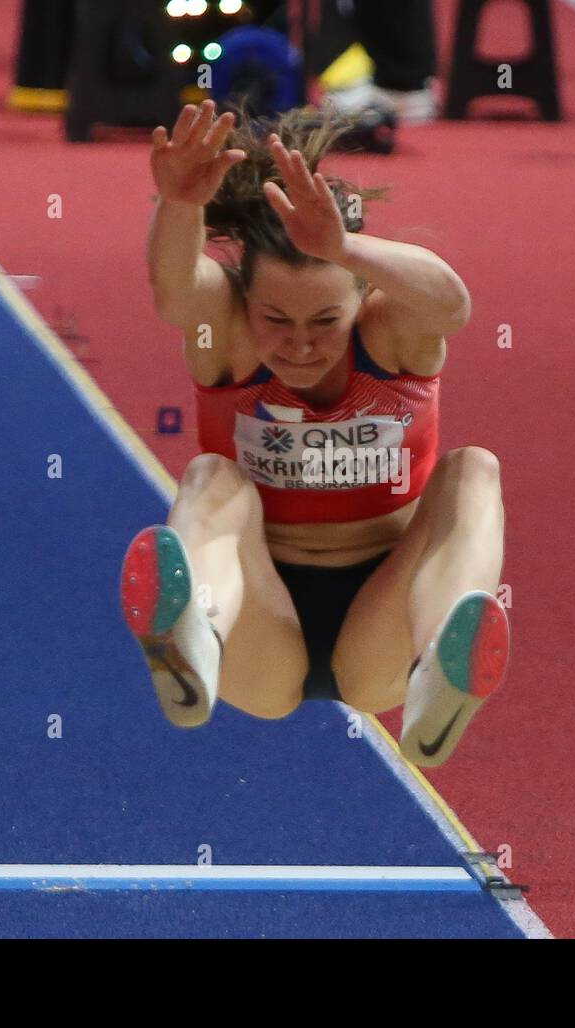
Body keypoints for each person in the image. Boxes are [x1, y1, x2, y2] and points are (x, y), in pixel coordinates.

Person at [122, 99, 508, 767]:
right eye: (276, 317)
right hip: (260, 620)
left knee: (473, 468)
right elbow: (174, 292)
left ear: (362, 299)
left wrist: (346, 246)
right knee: (211, 476)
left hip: (384, 626)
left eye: (324, 321)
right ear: (246, 302)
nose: (298, 345)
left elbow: (453, 304)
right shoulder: (229, 336)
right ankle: (191, 635)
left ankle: (442, 665)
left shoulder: (391, 334)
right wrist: (179, 204)